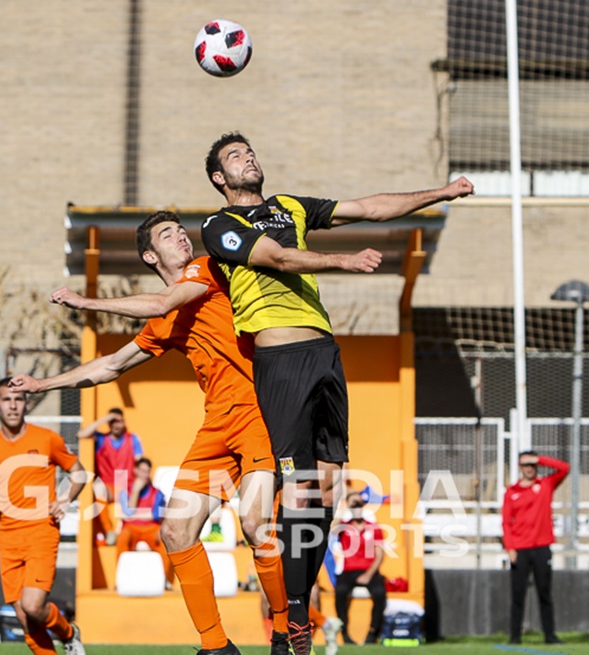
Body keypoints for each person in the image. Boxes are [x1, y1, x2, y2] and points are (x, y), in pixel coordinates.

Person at [197, 131, 475, 652]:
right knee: (297, 488)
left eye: (250, 150)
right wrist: (343, 262)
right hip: (280, 361)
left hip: (325, 352)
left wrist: (441, 192)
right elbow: (276, 259)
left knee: (328, 486)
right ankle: (293, 614)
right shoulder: (220, 225)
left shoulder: (290, 207)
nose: (249, 157)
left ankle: (298, 612)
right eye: (235, 156)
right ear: (219, 177)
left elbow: (369, 207)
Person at [10, 211, 289, 655]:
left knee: (255, 524)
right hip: (218, 425)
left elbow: (161, 302)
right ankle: (217, 647)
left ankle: (284, 628)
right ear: (149, 254)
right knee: (176, 532)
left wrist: (87, 303)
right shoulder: (166, 320)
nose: (182, 236)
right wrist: (44, 384)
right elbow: (110, 365)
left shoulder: (208, 269)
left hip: (258, 413)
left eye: (181, 231)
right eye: (168, 234)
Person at [0, 378, 89, 655]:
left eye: (18, 399)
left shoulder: (46, 439)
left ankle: (69, 633)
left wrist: (66, 499)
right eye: (7, 399)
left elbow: (79, 472)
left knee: (34, 606)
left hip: (41, 532)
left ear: (26, 403)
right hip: (8, 537)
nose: (13, 405)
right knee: (25, 618)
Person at [501, 451, 569, 645]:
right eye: (525, 464)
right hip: (520, 550)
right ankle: (515, 637)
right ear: (519, 467)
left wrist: (540, 459)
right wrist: (510, 547)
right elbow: (506, 522)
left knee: (545, 593)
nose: (529, 468)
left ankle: (550, 636)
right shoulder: (511, 492)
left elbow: (565, 468)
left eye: (532, 464)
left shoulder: (545, 485)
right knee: (518, 594)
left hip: (541, 547)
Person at [78, 408, 144, 545]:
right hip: (108, 486)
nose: (116, 425)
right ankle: (109, 532)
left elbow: (140, 461)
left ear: (124, 422)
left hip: (128, 486)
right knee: (98, 488)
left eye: (119, 421)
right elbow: (82, 434)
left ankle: (128, 533)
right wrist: (104, 419)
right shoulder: (102, 439)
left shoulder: (133, 439)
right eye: (112, 421)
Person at [334, 491, 388, 645]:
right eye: (354, 504)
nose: (356, 507)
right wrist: (346, 510)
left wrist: (369, 575)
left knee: (379, 593)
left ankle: (373, 633)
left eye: (359, 504)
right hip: (349, 570)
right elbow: (332, 530)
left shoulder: (373, 528)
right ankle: (344, 633)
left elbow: (379, 555)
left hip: (369, 570)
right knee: (340, 592)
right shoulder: (345, 527)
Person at [115, 457, 172, 586]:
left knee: (165, 540)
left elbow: (155, 515)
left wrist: (135, 514)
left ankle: (165, 579)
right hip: (131, 528)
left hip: (151, 529)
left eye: (147, 471)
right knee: (122, 538)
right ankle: (120, 579)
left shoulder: (157, 493)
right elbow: (127, 513)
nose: (145, 475)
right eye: (142, 471)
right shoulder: (125, 492)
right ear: (136, 471)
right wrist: (136, 491)